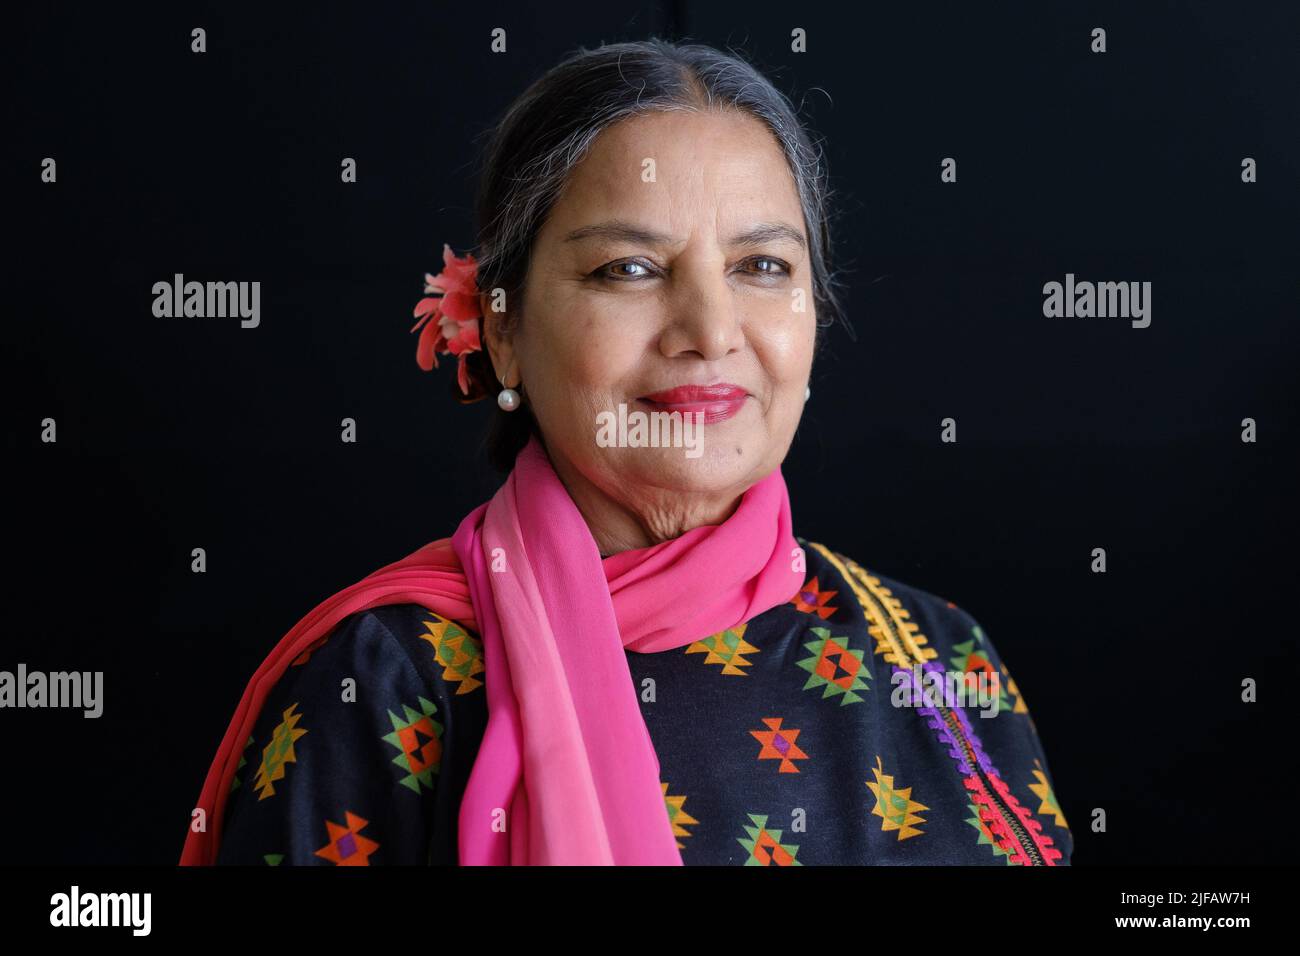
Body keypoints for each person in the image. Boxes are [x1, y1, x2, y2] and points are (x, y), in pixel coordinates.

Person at [181, 38, 1071, 866]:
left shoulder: (940, 660)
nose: (710, 330)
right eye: (629, 270)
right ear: (503, 333)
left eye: (762, 267)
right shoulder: (381, 683)